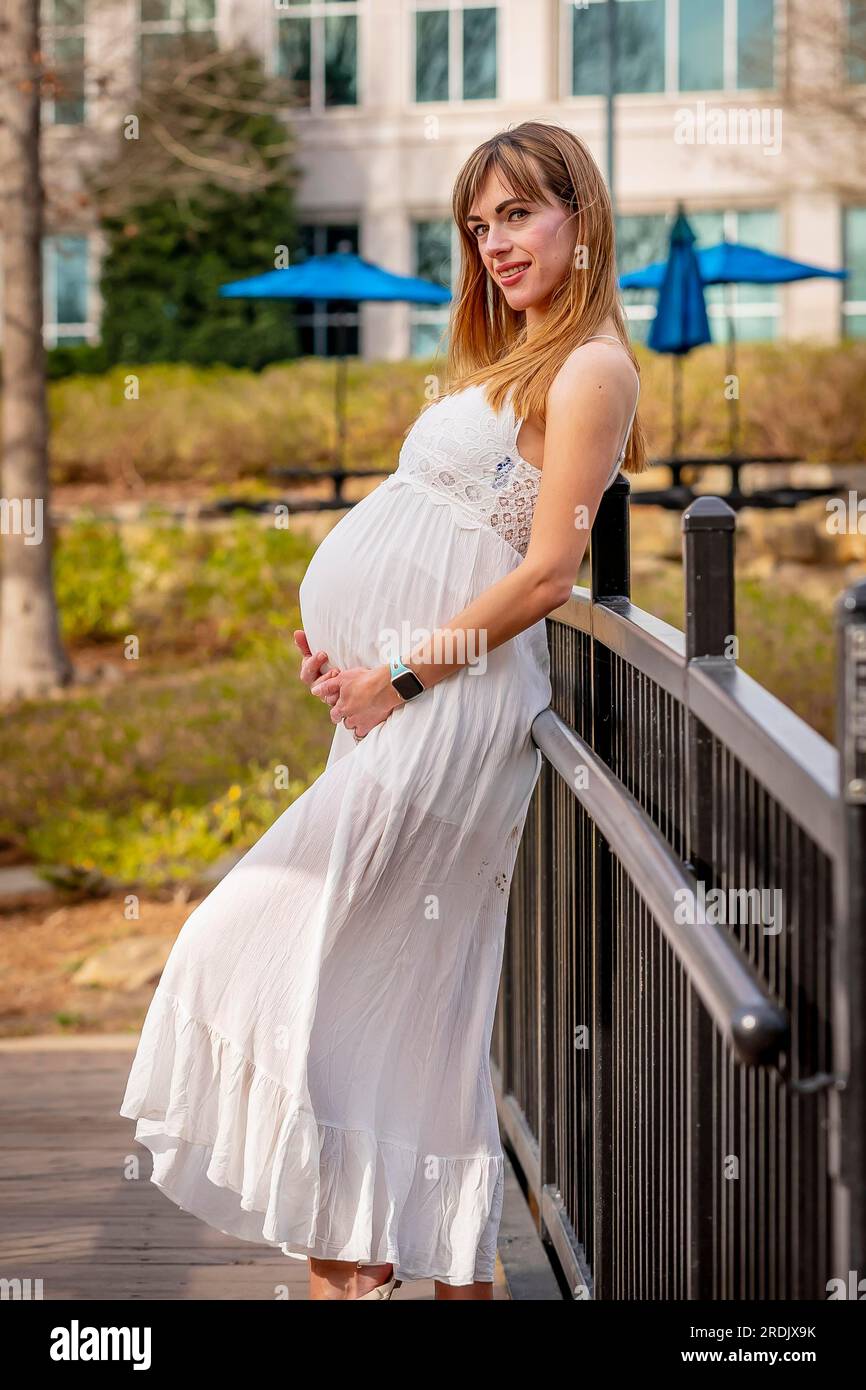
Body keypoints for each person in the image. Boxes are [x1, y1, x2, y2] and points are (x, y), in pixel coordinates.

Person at [119, 119, 646, 1302]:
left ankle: (357, 1264)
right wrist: (353, 669)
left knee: (252, 946)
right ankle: (420, 1270)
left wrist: (397, 674)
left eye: (517, 214)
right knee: (398, 1000)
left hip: (447, 716)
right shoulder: (512, 356)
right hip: (395, 710)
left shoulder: (592, 368)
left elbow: (547, 576)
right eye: (478, 223)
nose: (493, 243)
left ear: (578, 215)